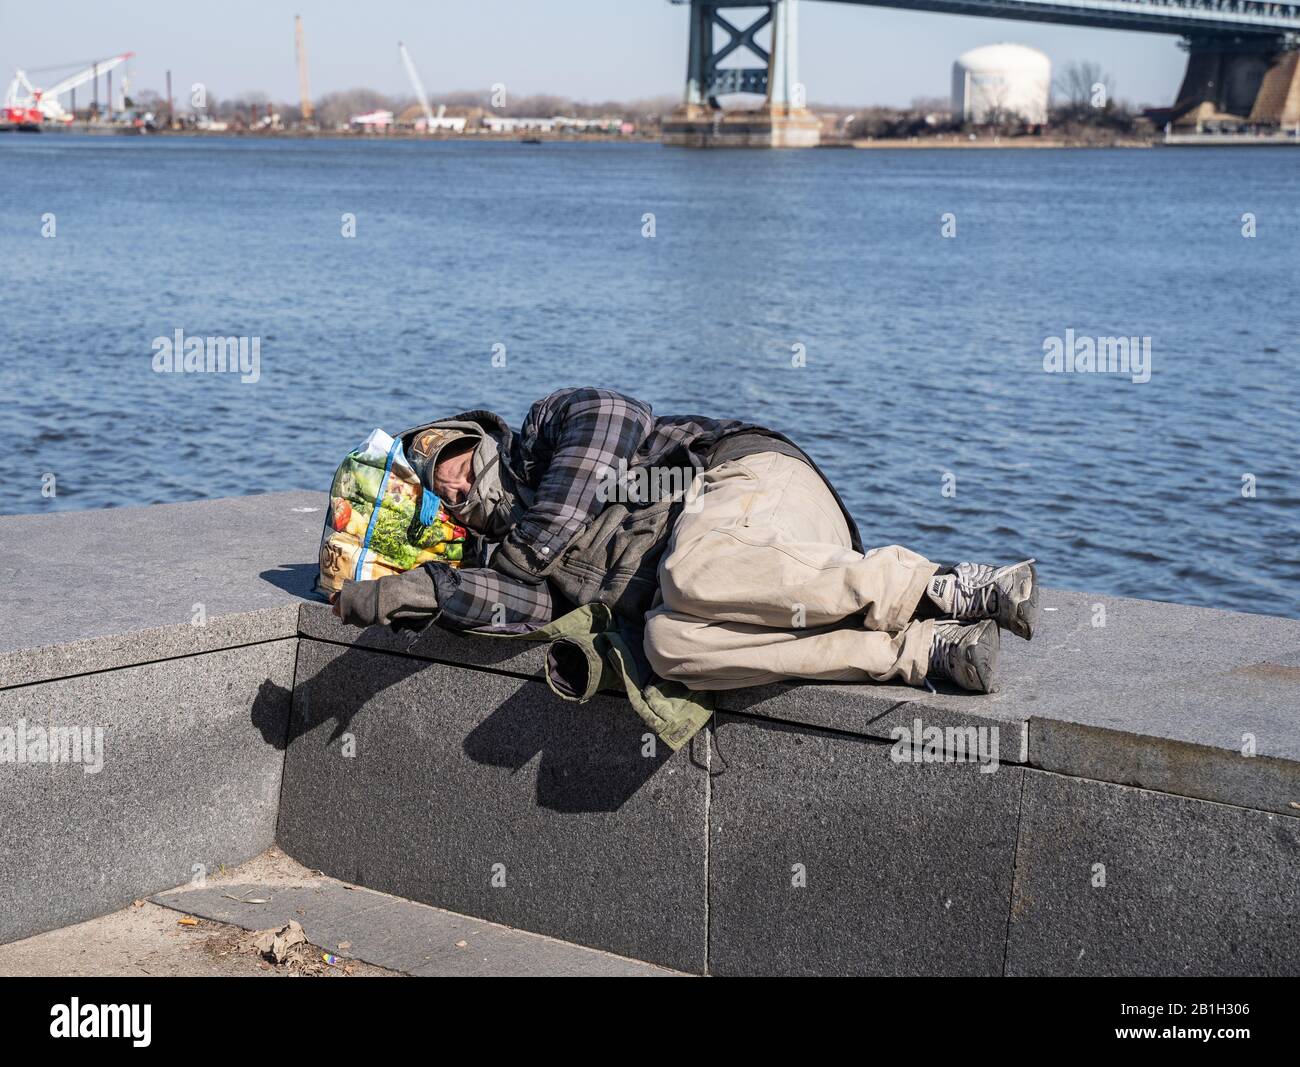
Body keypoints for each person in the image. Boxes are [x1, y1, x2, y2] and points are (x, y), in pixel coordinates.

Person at [332, 387, 1038, 693]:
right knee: (670, 646)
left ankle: (943, 583)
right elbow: (529, 607)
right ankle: (923, 650)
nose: (449, 487)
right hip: (750, 572)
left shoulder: (547, 428)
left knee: (693, 571)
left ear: (470, 433)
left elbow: (615, 417)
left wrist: (525, 550)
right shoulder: (516, 554)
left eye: (442, 461)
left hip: (753, 479)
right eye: (438, 497)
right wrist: (424, 590)